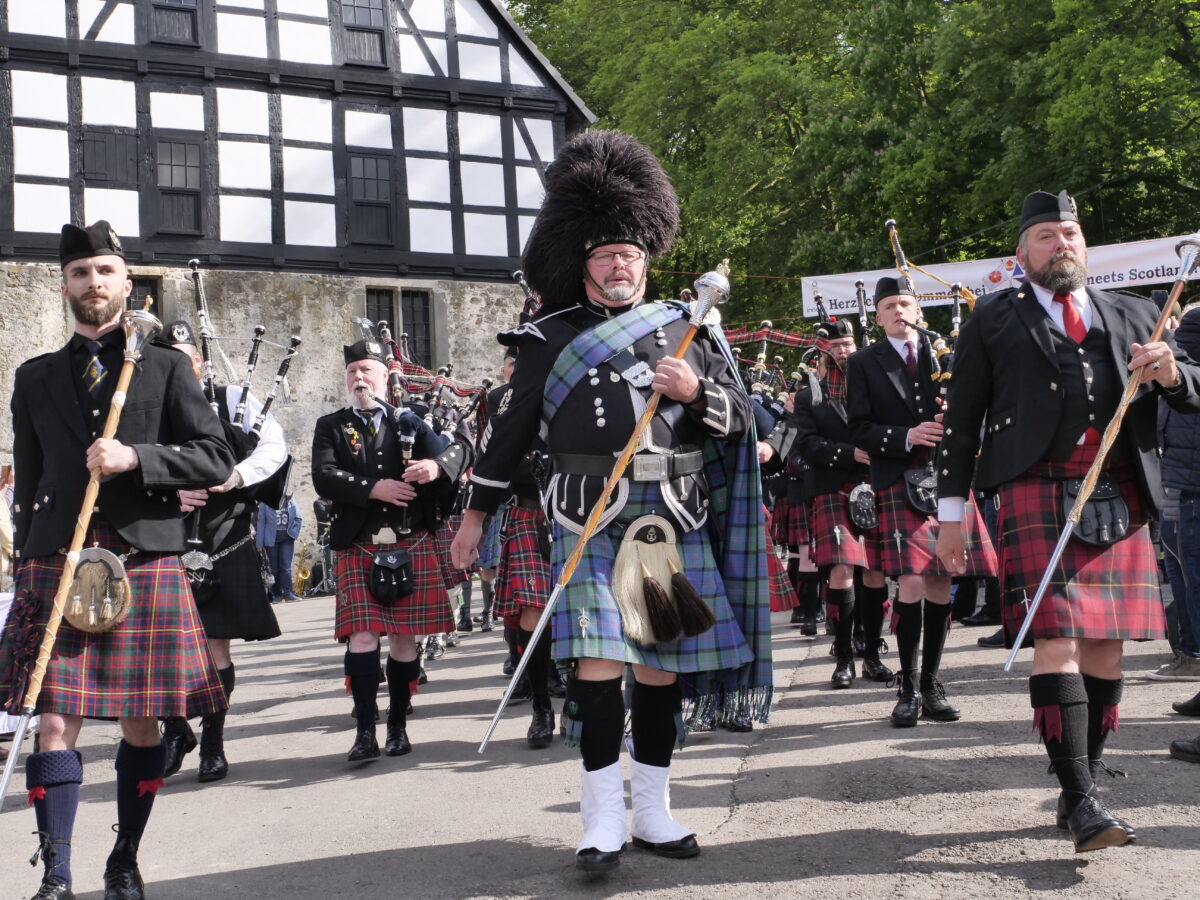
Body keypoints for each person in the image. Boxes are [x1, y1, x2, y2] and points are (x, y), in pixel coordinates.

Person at [451, 130, 772, 872]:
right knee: (597, 664)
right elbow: (507, 439)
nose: (620, 265)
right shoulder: (547, 338)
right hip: (587, 515)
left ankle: (653, 811)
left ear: (646, 259)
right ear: (581, 263)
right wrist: (474, 519)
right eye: (606, 255)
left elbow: (745, 417)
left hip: (671, 515)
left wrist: (696, 390)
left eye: (630, 254)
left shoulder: (688, 328)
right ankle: (599, 821)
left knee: (659, 669)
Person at [935, 190, 1200, 851]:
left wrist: (1172, 374)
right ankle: (1083, 801)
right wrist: (950, 517)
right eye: (1047, 235)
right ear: (1021, 253)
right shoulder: (992, 319)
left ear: (1086, 244)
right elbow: (960, 424)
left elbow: (1192, 393)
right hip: (1036, 488)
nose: (1062, 244)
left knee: (1107, 649)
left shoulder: (1136, 312)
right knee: (1057, 641)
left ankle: (1080, 785)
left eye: (1071, 233)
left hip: (1119, 491)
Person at [0, 221, 235, 900]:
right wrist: (26, 562)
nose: (93, 282)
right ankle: (57, 874)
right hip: (59, 560)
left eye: (104, 271)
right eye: (80, 272)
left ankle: (124, 859)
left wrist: (137, 457)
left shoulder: (164, 366)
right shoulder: (34, 377)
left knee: (141, 723)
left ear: (126, 283)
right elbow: (31, 478)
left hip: (141, 556)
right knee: (53, 722)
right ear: (64, 285)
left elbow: (215, 457)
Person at [847, 277, 997, 727]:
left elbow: (981, 404)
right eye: (890, 306)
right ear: (878, 317)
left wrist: (958, 417)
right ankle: (908, 689)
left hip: (946, 476)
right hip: (898, 477)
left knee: (940, 581)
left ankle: (931, 685)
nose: (899, 311)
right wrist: (906, 435)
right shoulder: (863, 362)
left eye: (905, 304)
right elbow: (859, 429)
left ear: (918, 311)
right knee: (911, 581)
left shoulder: (945, 354)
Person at [311, 340, 469, 762]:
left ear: (385, 376)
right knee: (362, 637)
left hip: (410, 539)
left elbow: (459, 450)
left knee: (404, 638)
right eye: (352, 371)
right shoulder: (331, 425)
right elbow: (323, 475)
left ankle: (398, 724)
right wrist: (373, 488)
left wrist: (435, 466)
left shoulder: (410, 419)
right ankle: (365, 731)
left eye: (366, 370)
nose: (358, 377)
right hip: (359, 543)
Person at [157, 320, 288, 784]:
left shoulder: (231, 399)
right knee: (162, 645)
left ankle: (213, 743)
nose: (180, 369)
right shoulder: (145, 405)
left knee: (215, 644)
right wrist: (165, 493)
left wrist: (237, 476)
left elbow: (274, 447)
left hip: (225, 535)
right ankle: (176, 730)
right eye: (169, 362)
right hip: (164, 536)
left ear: (200, 362)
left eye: (186, 361)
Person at [793, 319, 892, 687]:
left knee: (875, 571)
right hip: (833, 487)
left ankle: (872, 655)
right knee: (842, 570)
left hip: (876, 486)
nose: (843, 351)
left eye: (848, 344)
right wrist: (850, 454)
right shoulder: (809, 397)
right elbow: (807, 445)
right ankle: (844, 656)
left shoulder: (876, 387)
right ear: (824, 353)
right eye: (835, 347)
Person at [259, 496, 302, 603]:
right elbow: (261, 523)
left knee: (286, 567)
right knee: (274, 568)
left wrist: (294, 533)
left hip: (287, 539)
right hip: (271, 540)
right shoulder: (265, 502)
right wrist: (259, 543)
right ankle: (276, 594)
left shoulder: (290, 500)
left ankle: (288, 593)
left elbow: (298, 518)